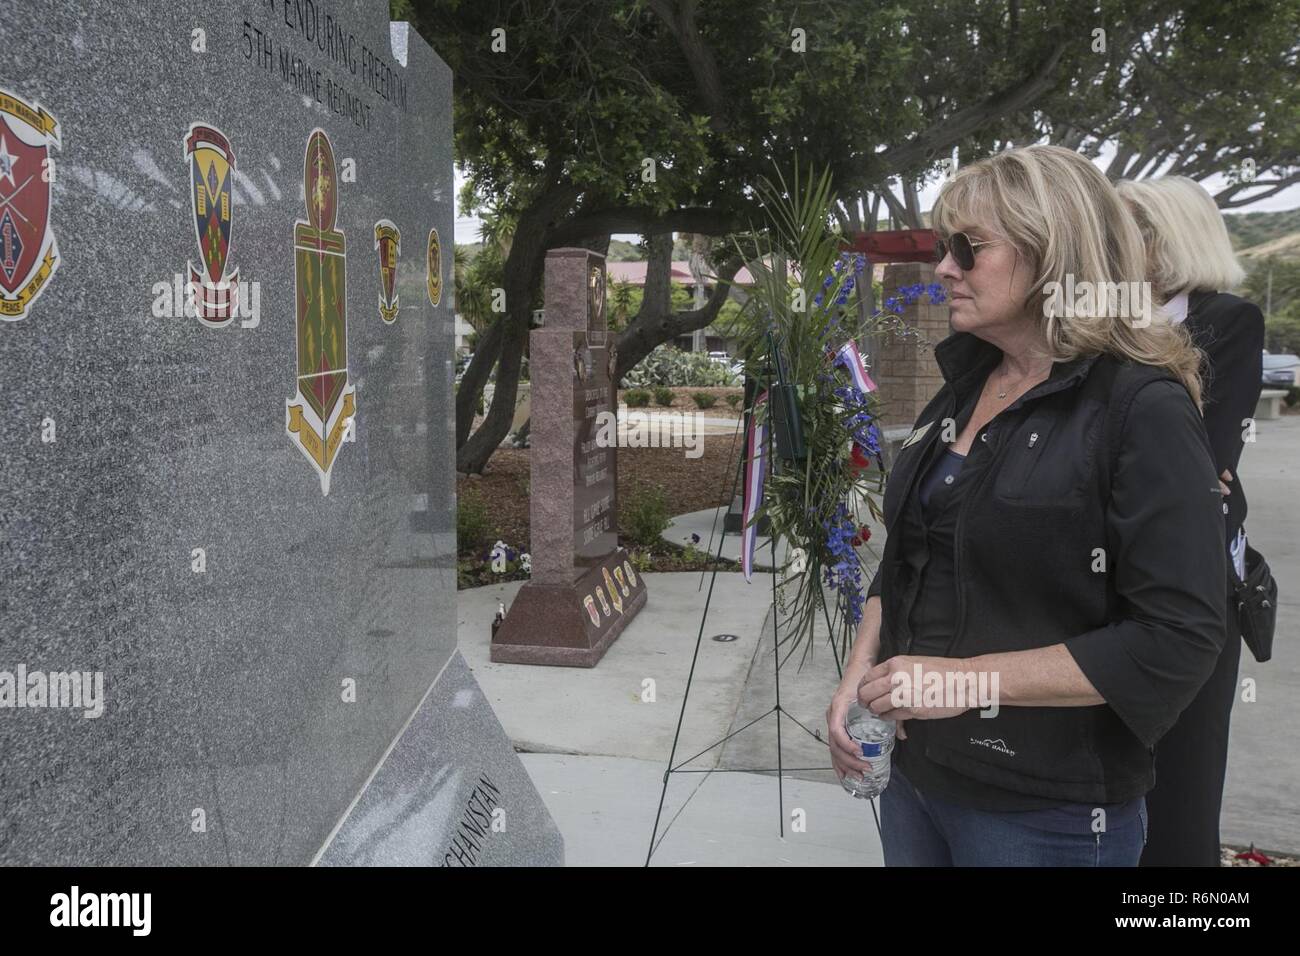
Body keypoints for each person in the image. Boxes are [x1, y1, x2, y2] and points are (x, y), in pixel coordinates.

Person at [824, 144, 1227, 866]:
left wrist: (964, 681)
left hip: (1045, 809)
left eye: (967, 249)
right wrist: (861, 671)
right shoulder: (966, 384)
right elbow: (911, 553)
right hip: (917, 779)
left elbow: (1177, 638)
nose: (945, 267)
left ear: (1052, 256)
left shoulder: (1141, 408)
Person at [1116, 176, 1265, 866]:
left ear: (1165, 237)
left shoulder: (1226, 319)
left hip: (1192, 576)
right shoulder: (1099, 315)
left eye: (1127, 229)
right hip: (1104, 570)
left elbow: (1206, 461)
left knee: (1182, 776)